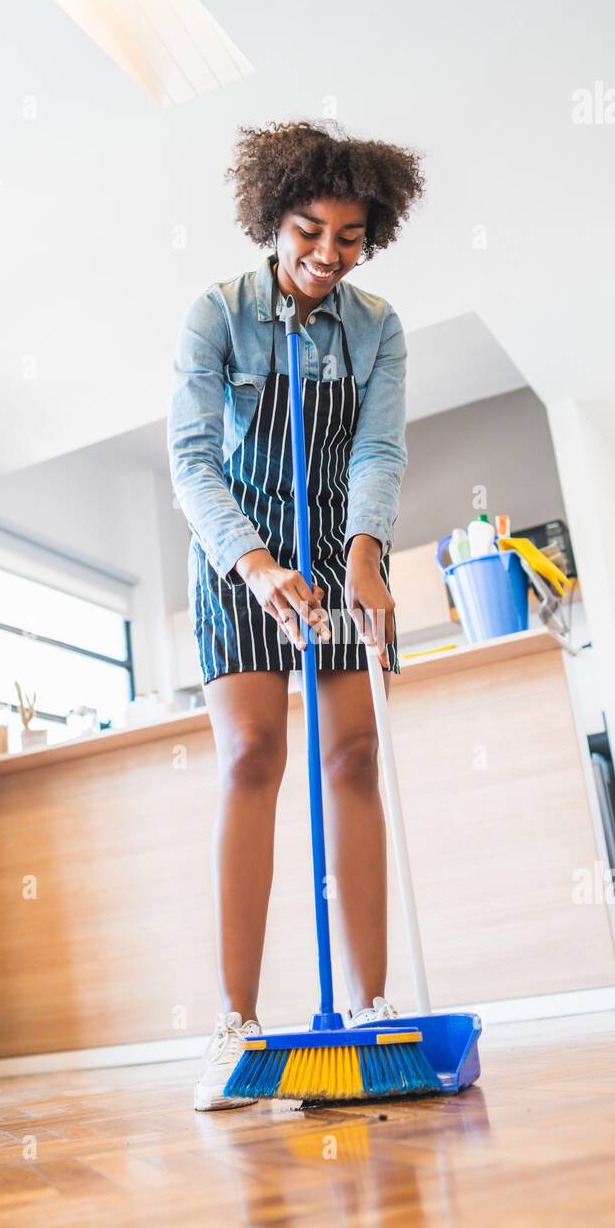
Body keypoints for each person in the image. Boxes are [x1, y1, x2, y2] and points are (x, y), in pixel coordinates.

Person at [167, 120, 424, 1109]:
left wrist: (364, 554)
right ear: (272, 219)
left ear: (372, 235)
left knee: (352, 755)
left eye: (348, 237)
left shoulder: (379, 329)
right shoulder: (215, 317)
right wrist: (259, 565)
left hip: (340, 546)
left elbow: (378, 453)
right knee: (252, 756)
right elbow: (191, 462)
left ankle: (370, 1009)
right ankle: (237, 1022)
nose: (326, 254)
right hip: (237, 545)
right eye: (309, 230)